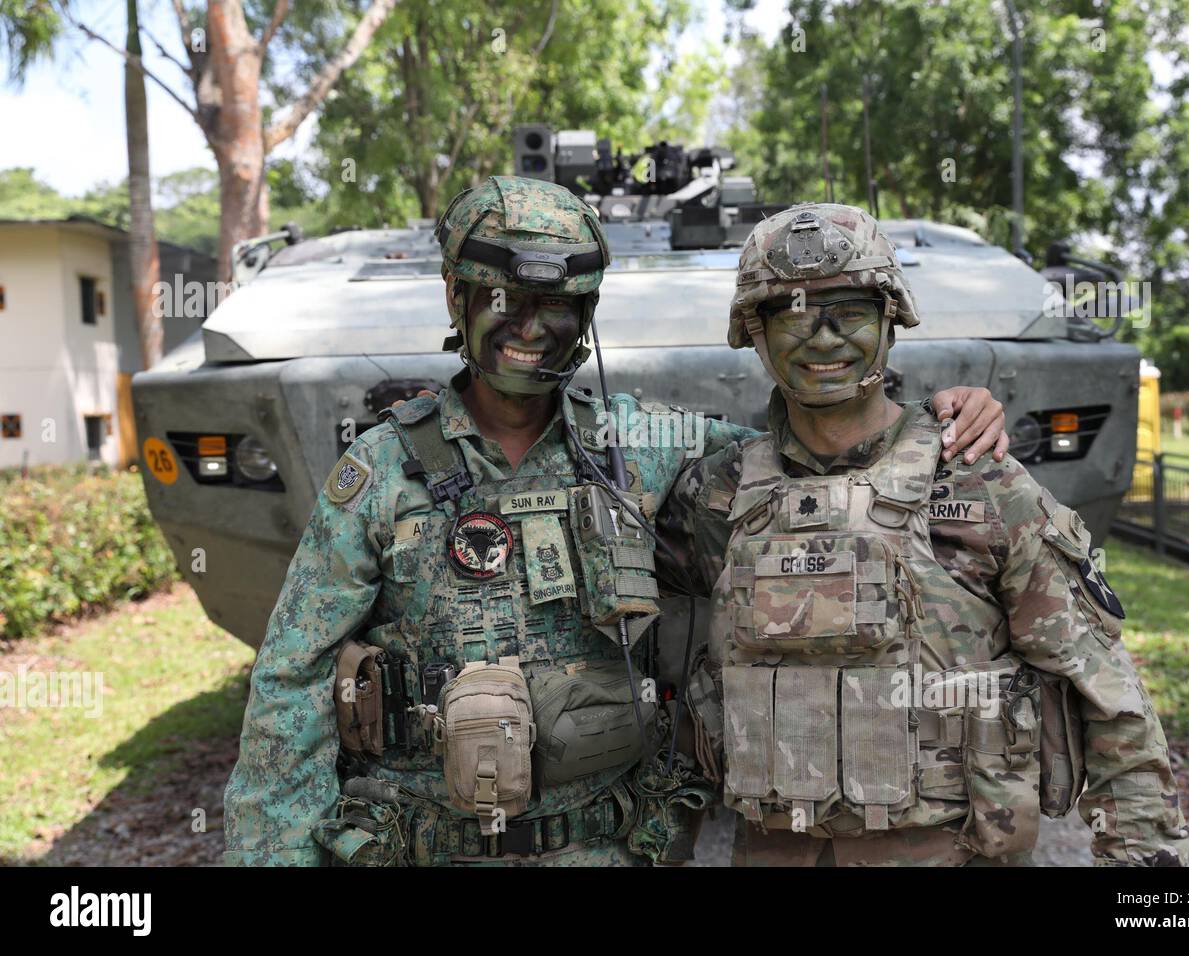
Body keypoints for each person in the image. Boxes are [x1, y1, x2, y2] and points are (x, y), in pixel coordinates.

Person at [222, 178, 1009, 866]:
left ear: (587, 313)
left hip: (597, 845)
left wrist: (940, 411)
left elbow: (817, 454)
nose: (531, 327)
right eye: (505, 300)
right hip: (423, 841)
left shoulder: (642, 444)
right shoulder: (381, 472)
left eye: (558, 306)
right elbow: (290, 685)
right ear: (457, 299)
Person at [658, 202, 1189, 867]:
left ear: (891, 319)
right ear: (754, 331)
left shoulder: (982, 482)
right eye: (793, 313)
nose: (823, 339)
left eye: (849, 312)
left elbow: (1104, 689)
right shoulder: (716, 495)